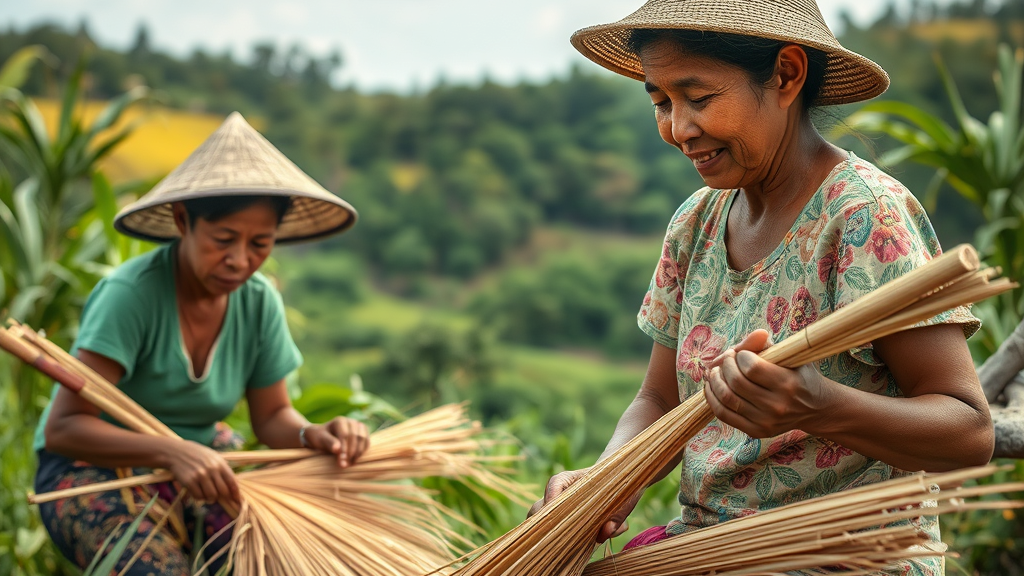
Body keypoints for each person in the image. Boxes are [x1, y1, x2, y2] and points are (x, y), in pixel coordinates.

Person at [529, 1, 994, 574]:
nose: (678, 129)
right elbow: (659, 398)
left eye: (699, 99)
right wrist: (604, 481)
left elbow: (969, 432)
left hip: (841, 559)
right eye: (660, 102)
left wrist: (819, 406)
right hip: (706, 549)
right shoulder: (696, 223)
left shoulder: (863, 218)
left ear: (786, 75)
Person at [33, 112, 367, 575]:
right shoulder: (132, 297)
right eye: (224, 239)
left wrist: (314, 434)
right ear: (182, 220)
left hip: (201, 465)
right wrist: (171, 450)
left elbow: (272, 417)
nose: (240, 260)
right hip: (89, 468)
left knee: (276, 558)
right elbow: (65, 428)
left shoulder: (258, 302)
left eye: (260, 244)